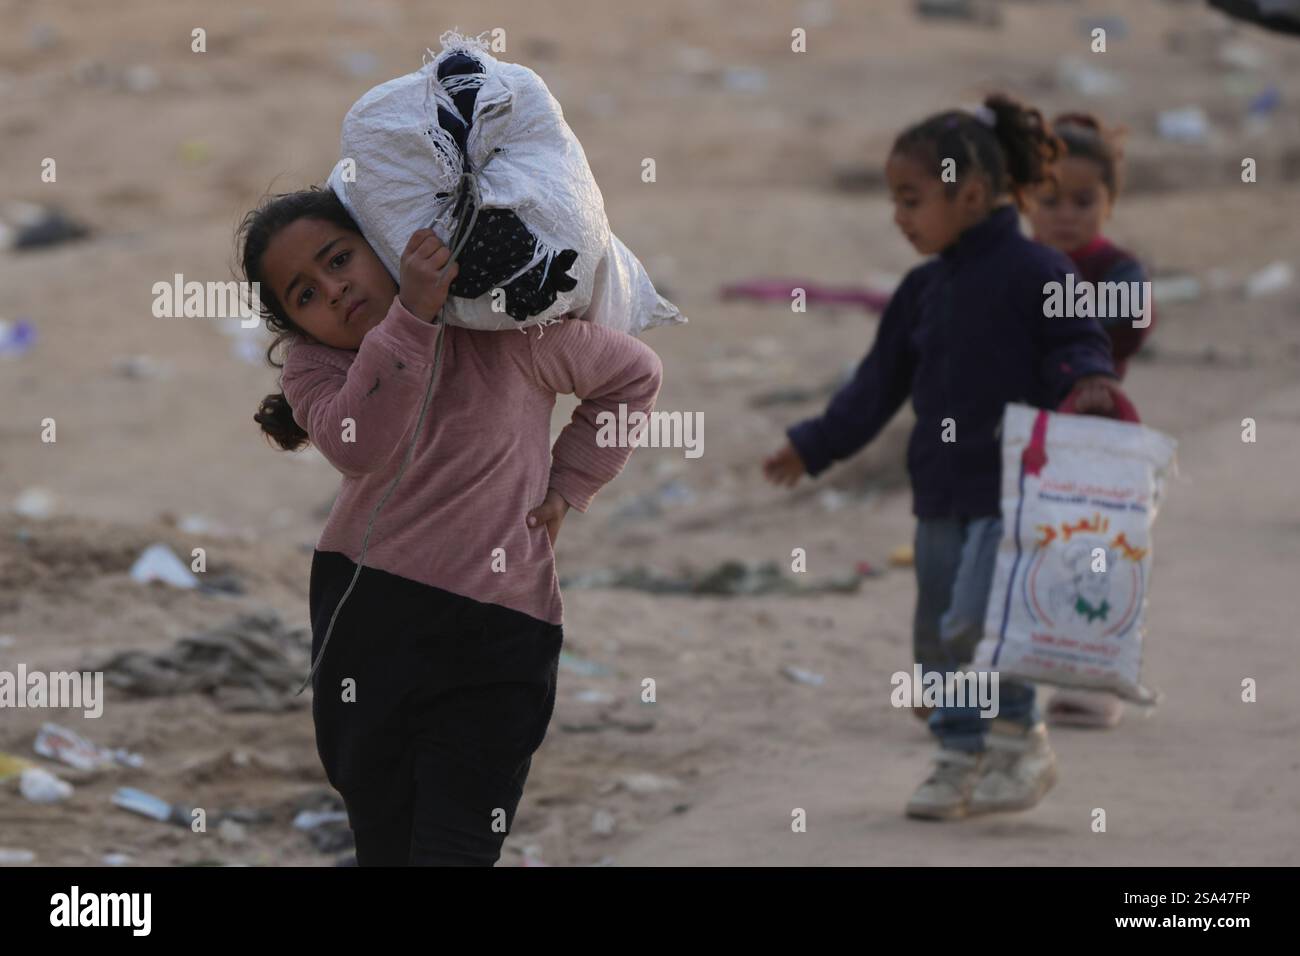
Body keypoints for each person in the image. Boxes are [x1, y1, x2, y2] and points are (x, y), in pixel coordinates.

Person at [242, 186, 663, 863]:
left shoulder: (505, 334)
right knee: (387, 843)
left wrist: (570, 482)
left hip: (501, 633)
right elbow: (361, 442)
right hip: (369, 628)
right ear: (296, 326)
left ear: (385, 242)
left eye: (340, 258)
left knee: (456, 849)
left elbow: (633, 375)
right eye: (305, 294)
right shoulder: (317, 368)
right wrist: (411, 315)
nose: (335, 289)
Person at [763, 94, 1120, 820]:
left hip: (1013, 493)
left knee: (979, 624)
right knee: (936, 636)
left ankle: (1022, 743)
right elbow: (877, 384)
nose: (899, 217)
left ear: (974, 194)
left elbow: (1079, 339)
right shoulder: (923, 289)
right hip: (940, 495)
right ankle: (958, 757)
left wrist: (1089, 382)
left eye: (912, 199)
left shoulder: (1037, 271)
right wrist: (814, 443)